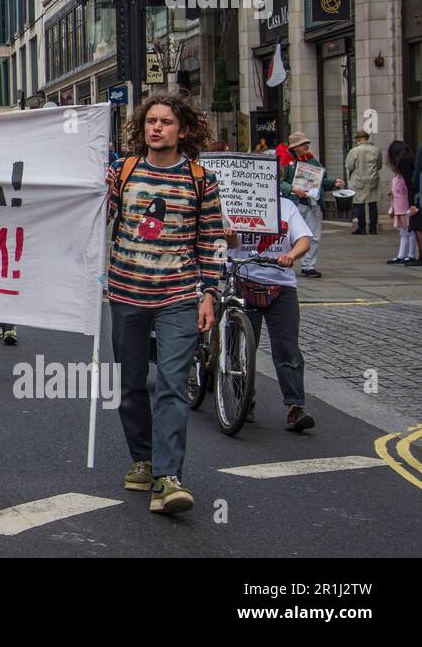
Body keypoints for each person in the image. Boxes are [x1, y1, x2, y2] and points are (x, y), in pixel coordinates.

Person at [107, 94, 225, 516]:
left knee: (174, 385)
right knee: (130, 383)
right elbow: (92, 216)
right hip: (125, 295)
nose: (157, 128)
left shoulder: (201, 180)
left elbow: (211, 241)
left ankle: (168, 476)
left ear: (183, 130)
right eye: (151, 121)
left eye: (166, 122)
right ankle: (142, 458)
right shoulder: (122, 172)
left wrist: (209, 292)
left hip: (178, 297)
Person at [223, 197, 316, 432]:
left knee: (287, 348)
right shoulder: (236, 201)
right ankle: (244, 400)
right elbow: (230, 244)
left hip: (281, 284)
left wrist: (291, 255)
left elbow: (304, 240)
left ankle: (295, 407)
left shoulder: (287, 206)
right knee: (241, 347)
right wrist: (230, 234)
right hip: (244, 279)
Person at [277, 132, 343, 278]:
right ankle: (285, 260)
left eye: (307, 143)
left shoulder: (312, 161)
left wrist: (334, 183)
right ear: (295, 147)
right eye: (302, 144)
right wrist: (293, 189)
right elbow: (278, 182)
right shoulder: (285, 162)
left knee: (314, 236)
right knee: (289, 236)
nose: (306, 145)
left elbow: (321, 180)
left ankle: (308, 266)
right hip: (294, 204)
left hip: (312, 203)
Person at [387, 141, 419, 264]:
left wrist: (411, 204)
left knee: (409, 232)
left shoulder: (404, 166)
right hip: (400, 207)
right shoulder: (397, 176)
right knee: (403, 233)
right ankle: (401, 255)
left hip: (405, 206)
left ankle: (410, 254)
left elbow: (409, 188)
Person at [345, 130, 382, 235]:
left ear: (358, 139)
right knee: (372, 204)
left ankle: (361, 228)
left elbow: (349, 166)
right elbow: (379, 165)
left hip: (358, 179)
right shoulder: (376, 150)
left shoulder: (354, 151)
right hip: (372, 179)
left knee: (359, 204)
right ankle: (373, 228)